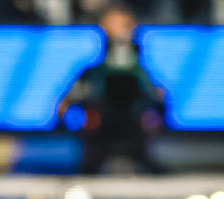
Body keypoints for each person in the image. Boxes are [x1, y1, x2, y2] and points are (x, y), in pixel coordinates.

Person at [58, 4, 164, 174]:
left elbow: (160, 106)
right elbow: (63, 108)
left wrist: (151, 121)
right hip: (97, 149)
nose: (120, 36)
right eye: (112, 28)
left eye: (125, 27)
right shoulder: (91, 74)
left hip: (137, 148)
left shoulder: (142, 74)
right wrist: (83, 124)